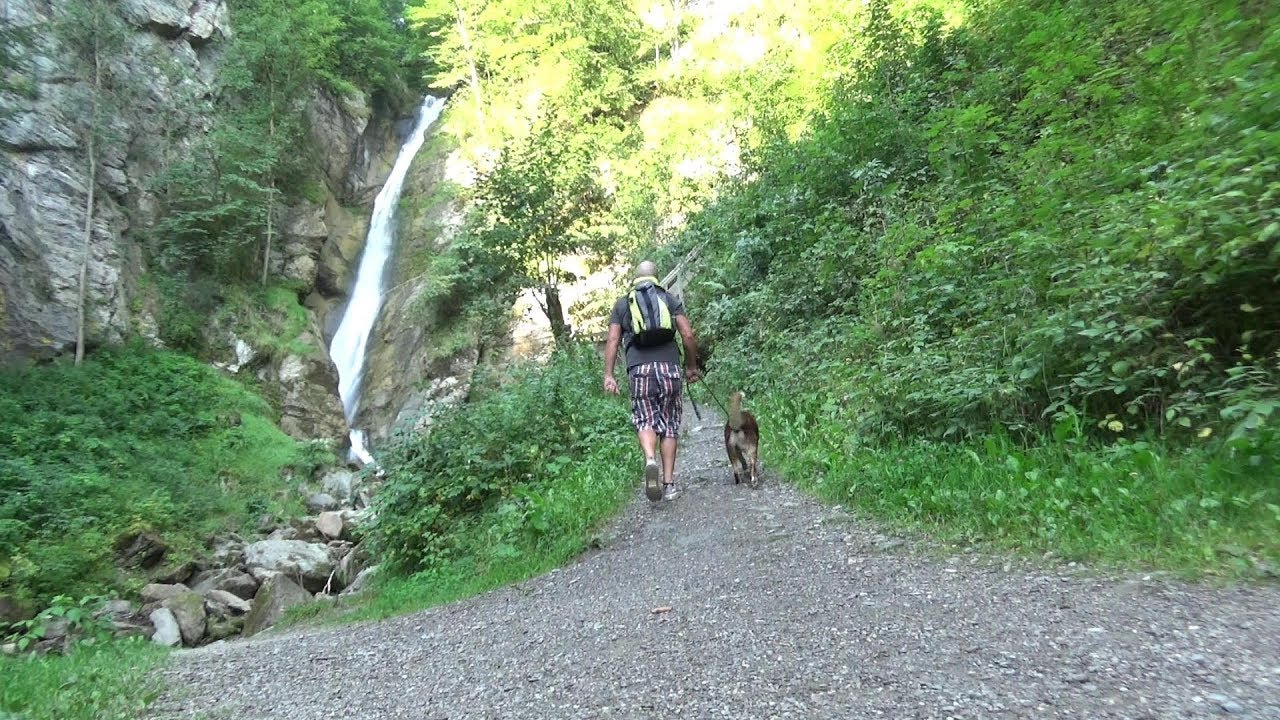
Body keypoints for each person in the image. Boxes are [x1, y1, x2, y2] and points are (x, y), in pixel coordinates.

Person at [603, 260, 701, 502]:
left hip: (639, 370)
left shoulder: (623, 304)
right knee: (669, 425)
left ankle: (650, 460)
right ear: (656, 277)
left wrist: (609, 375)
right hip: (669, 368)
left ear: (635, 278)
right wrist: (691, 366)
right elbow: (687, 334)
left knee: (645, 419)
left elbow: (613, 340)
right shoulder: (669, 298)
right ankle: (669, 485)